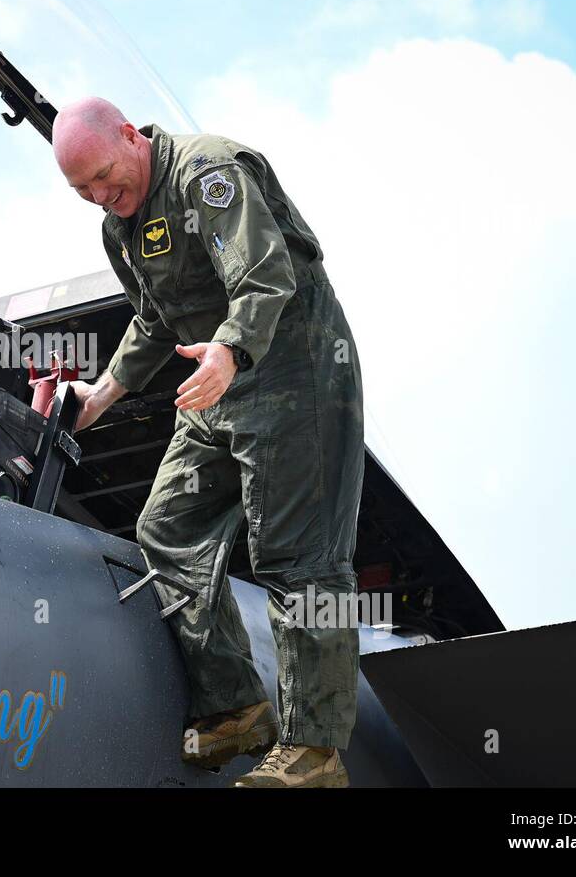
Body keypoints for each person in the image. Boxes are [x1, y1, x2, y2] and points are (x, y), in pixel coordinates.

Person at [52, 97, 364, 788]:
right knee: (168, 526)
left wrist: (228, 351)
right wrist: (102, 394)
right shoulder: (121, 225)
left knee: (296, 554)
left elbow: (265, 275)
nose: (102, 197)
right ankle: (237, 708)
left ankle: (315, 751)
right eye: (84, 192)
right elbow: (154, 317)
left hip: (293, 369)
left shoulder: (206, 175)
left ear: (131, 136)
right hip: (217, 382)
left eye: (105, 176)